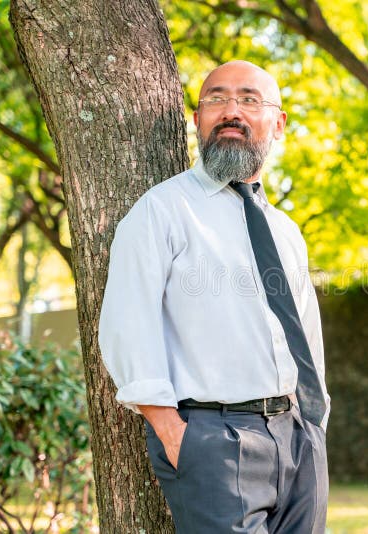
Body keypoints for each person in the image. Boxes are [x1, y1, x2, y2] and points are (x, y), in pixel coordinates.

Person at [98, 60, 329, 533]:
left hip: (298, 441)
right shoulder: (161, 211)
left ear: (278, 123)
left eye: (249, 99)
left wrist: (315, 424)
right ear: (198, 119)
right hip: (214, 446)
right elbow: (126, 326)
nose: (231, 111)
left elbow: (306, 331)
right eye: (216, 99)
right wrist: (175, 434)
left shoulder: (285, 231)